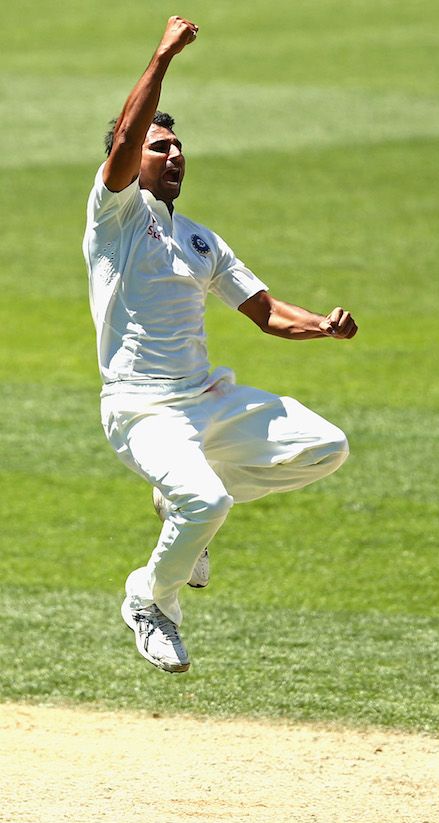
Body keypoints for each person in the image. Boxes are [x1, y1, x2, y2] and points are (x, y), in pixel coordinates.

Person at [83, 17, 358, 674]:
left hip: (207, 399)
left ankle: (180, 508)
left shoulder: (201, 239)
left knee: (326, 447)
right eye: (160, 147)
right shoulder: (115, 217)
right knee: (206, 501)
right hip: (142, 409)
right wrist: (162, 56)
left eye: (179, 146)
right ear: (131, 159)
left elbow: (266, 312)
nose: (174, 154)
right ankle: (151, 601)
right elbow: (126, 135)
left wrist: (321, 325)